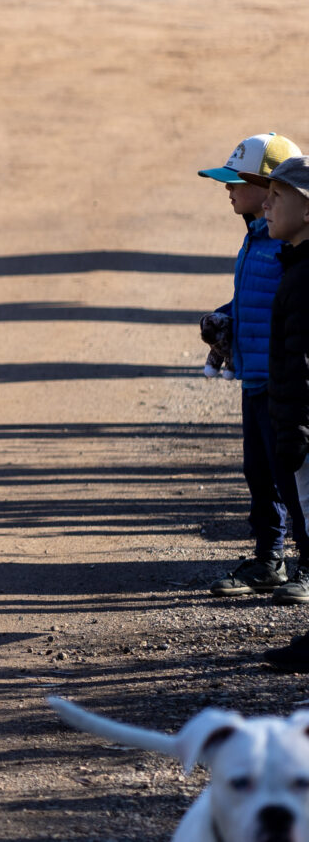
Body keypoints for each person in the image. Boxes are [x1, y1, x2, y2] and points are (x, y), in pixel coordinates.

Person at [199, 133, 308, 601]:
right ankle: (270, 558)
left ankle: (305, 566)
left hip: (284, 384)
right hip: (256, 381)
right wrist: (227, 318)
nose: (228, 190)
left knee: (293, 478)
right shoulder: (254, 240)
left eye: (237, 182)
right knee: (259, 474)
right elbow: (257, 301)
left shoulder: (287, 247)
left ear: (272, 188)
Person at [258, 159, 309, 669]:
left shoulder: (306, 275)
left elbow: (304, 363)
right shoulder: (296, 266)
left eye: (278, 196)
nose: (267, 205)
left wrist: (294, 431)